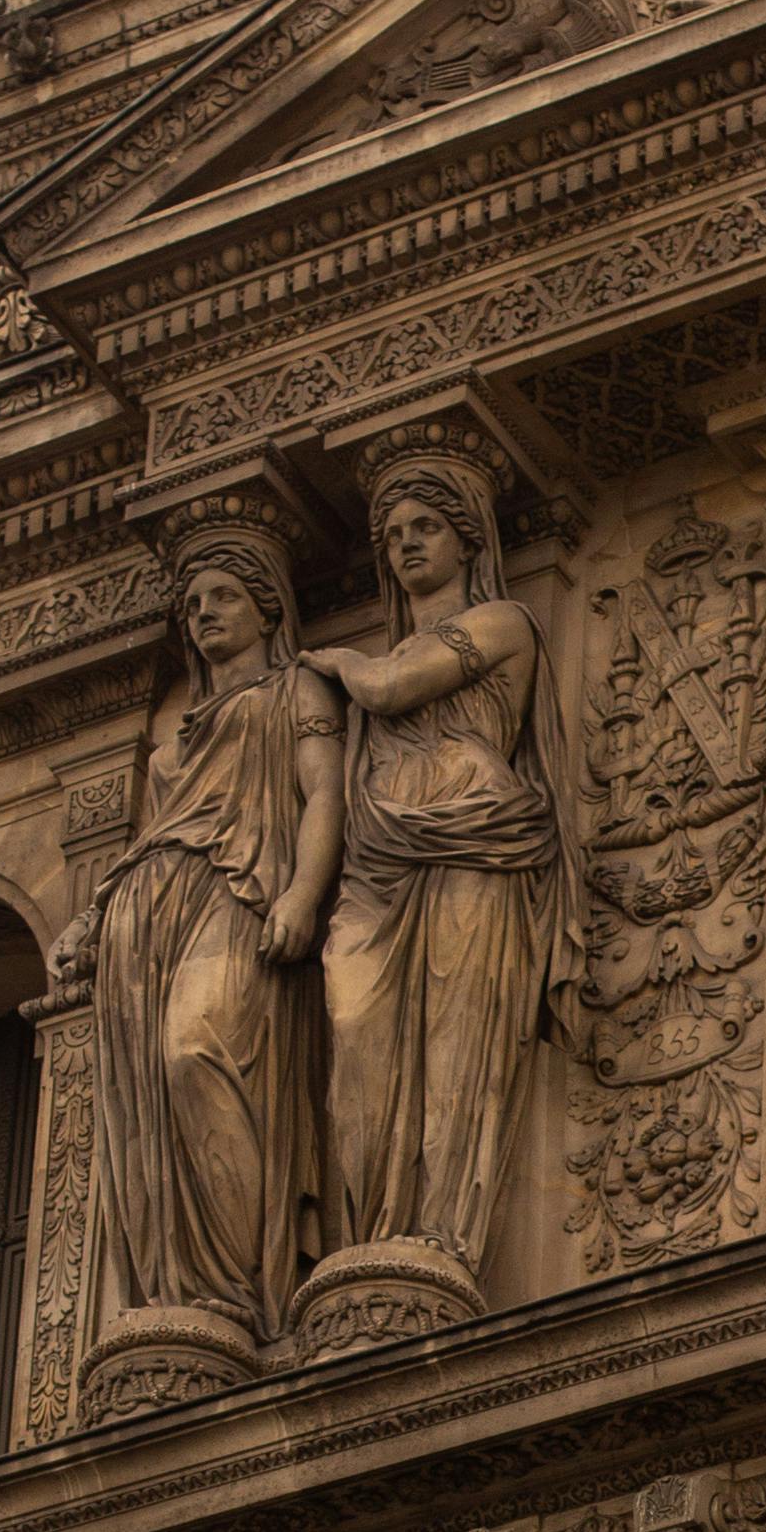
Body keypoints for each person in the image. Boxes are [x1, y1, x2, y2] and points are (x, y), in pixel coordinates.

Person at [303, 457, 577, 1289]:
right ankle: (371, 1230)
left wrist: (330, 664)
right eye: (391, 535)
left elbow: (391, 687)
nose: (405, 545)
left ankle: (440, 1238)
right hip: (375, 861)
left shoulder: (504, 622)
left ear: (466, 538)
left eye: (424, 527)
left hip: (473, 838)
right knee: (357, 1040)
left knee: (457, 1044)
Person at [81, 532, 342, 1354]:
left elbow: (325, 794)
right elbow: (149, 840)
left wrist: (303, 892)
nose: (204, 616)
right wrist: (89, 921)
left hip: (242, 892)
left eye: (222, 597)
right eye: (192, 606)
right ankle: (189, 1289)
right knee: (153, 1103)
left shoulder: (296, 690)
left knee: (198, 1051)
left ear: (267, 605)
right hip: (147, 914)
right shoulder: (175, 744)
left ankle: (243, 1288)